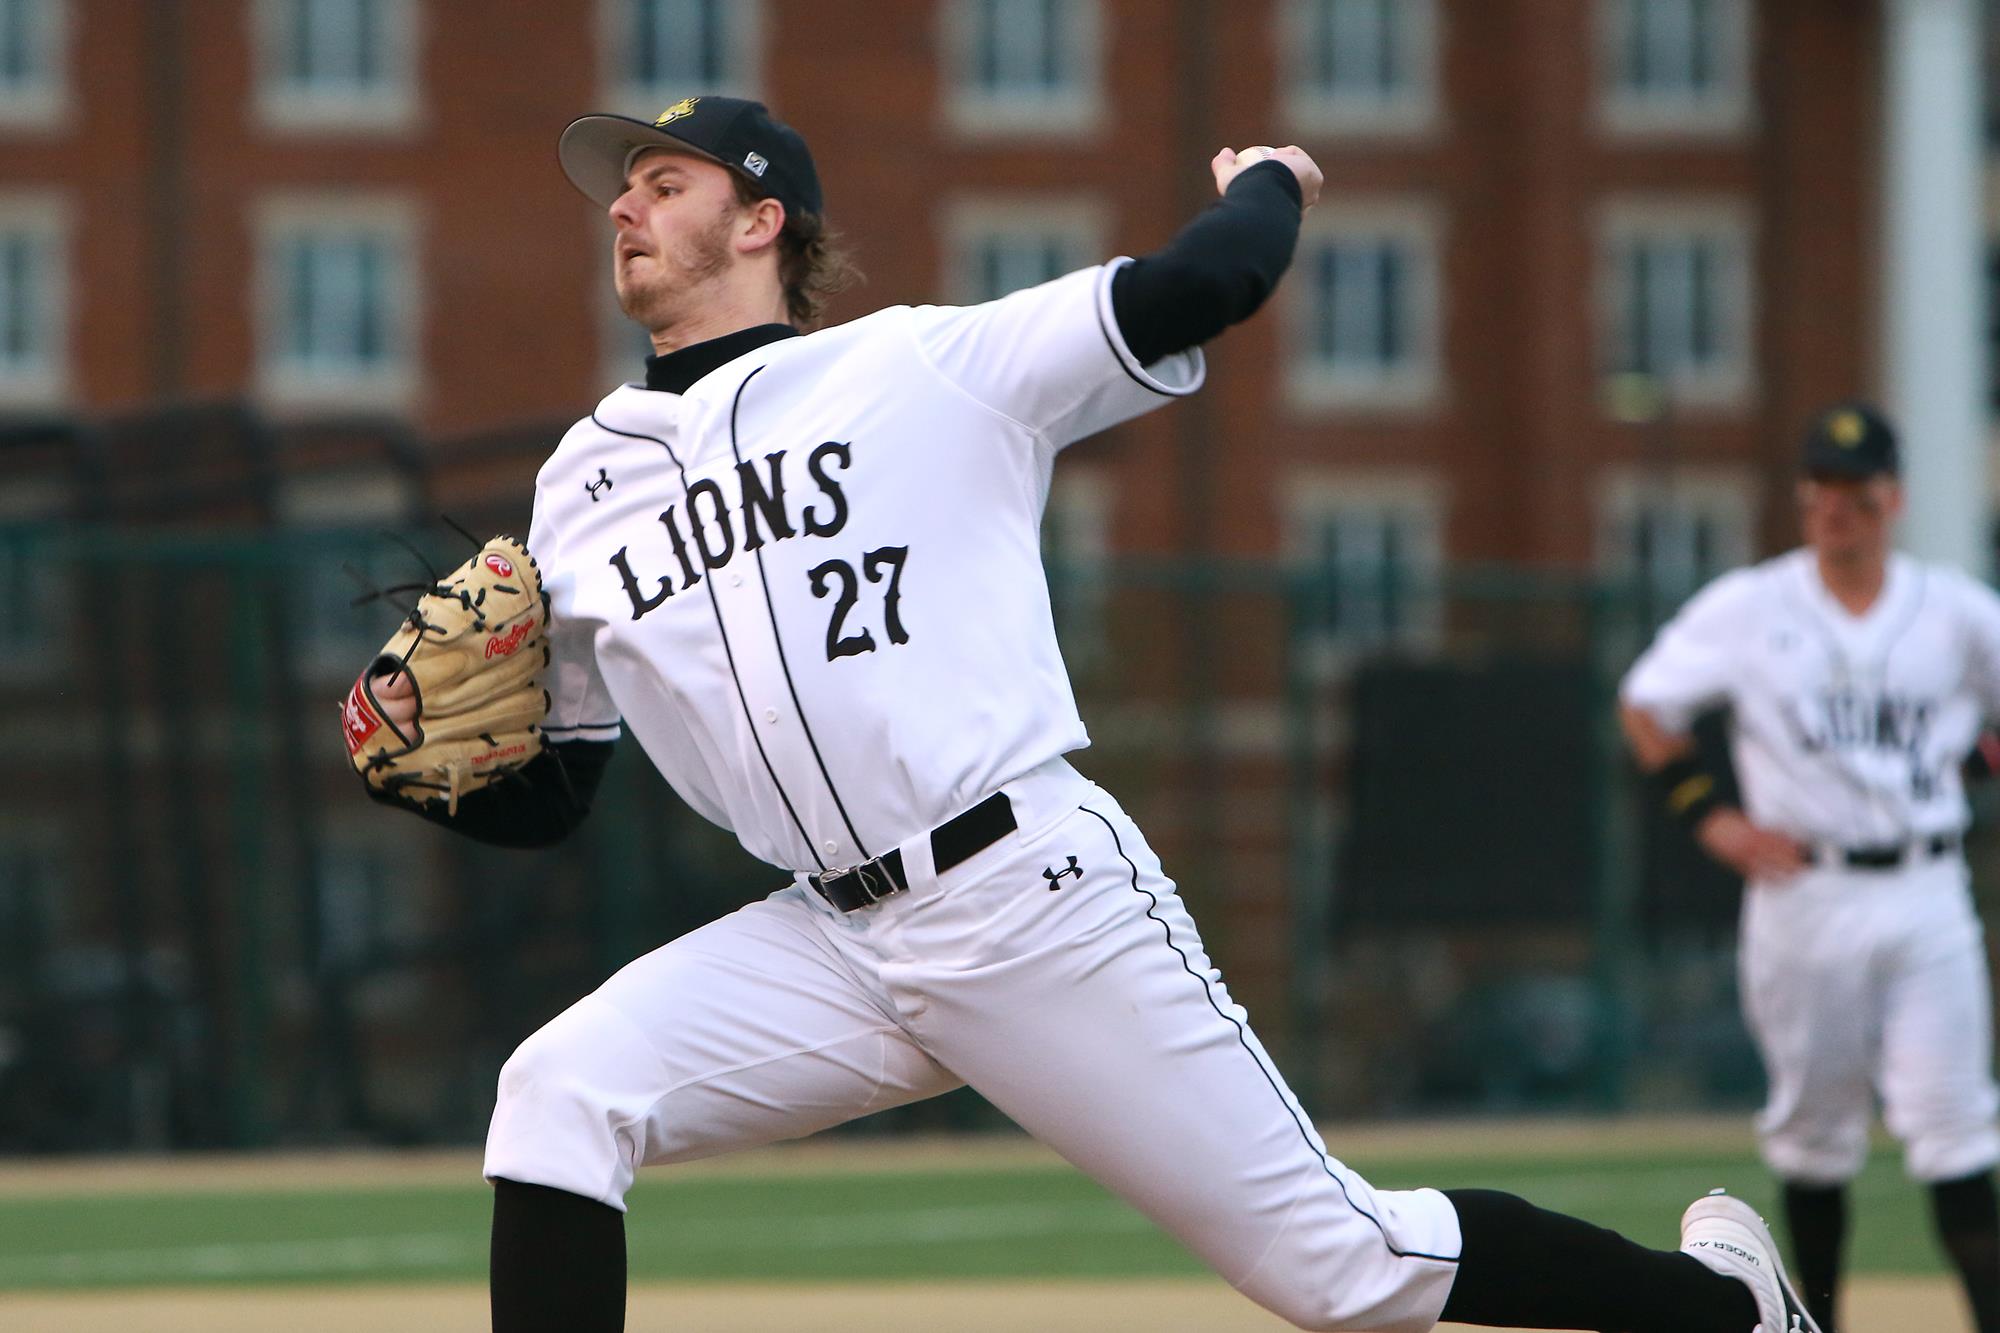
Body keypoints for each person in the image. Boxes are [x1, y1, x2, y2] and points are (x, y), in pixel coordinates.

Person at [356, 94, 1817, 1333]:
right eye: (619, 189)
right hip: (831, 939)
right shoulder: (582, 483)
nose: (623, 207)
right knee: (559, 1091)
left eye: (662, 182)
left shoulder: (920, 368)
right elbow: (556, 795)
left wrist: (1270, 190)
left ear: (761, 221)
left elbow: (1201, 289)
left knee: (1340, 1267)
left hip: (1027, 891)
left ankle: (1729, 1308)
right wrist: (417, 767)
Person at [1620, 402, 2000, 1332]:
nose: (1839, 508)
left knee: (1957, 1130)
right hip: (1803, 894)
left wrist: (1976, 767)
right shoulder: (1753, 607)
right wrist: (1710, 818)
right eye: (1823, 491)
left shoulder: (1952, 610)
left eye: (1857, 491)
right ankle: (1818, 1323)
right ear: (1804, 500)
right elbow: (1646, 703)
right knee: (1813, 1133)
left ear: (1893, 498)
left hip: (1925, 888)